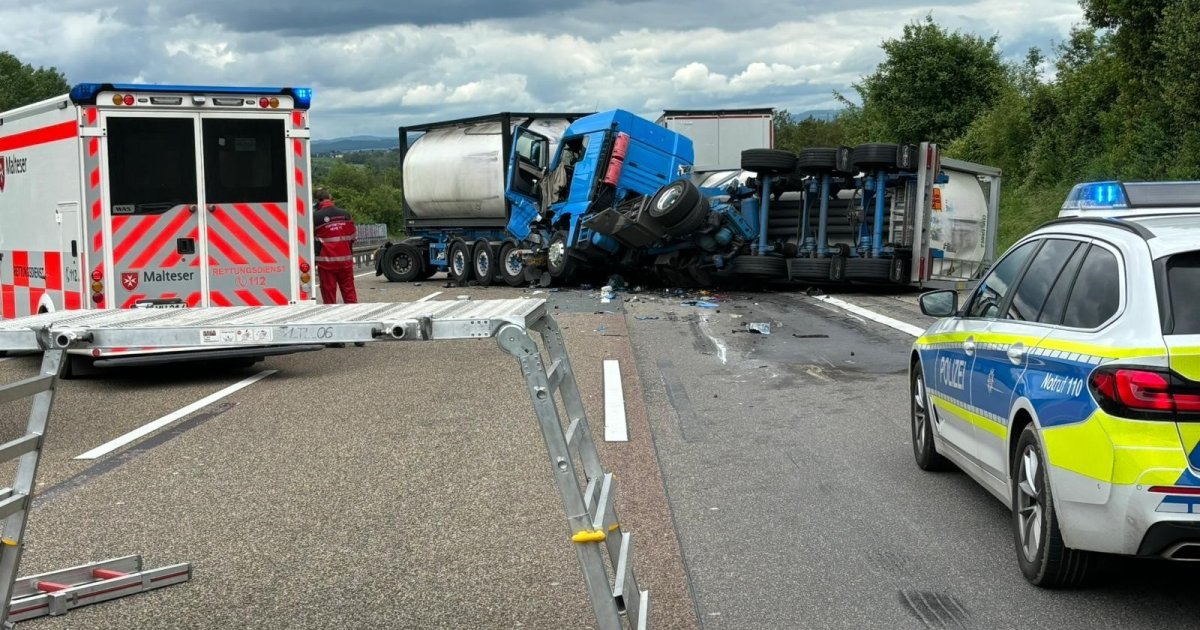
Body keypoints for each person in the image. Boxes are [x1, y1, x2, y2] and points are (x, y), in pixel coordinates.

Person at [313, 189, 358, 305]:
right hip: (345, 262)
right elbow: (353, 236)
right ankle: (354, 318)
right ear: (330, 198)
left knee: (329, 297)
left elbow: (309, 239)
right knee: (350, 295)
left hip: (326, 263)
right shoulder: (345, 214)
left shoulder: (315, 217)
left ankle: (330, 320)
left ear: (317, 201)